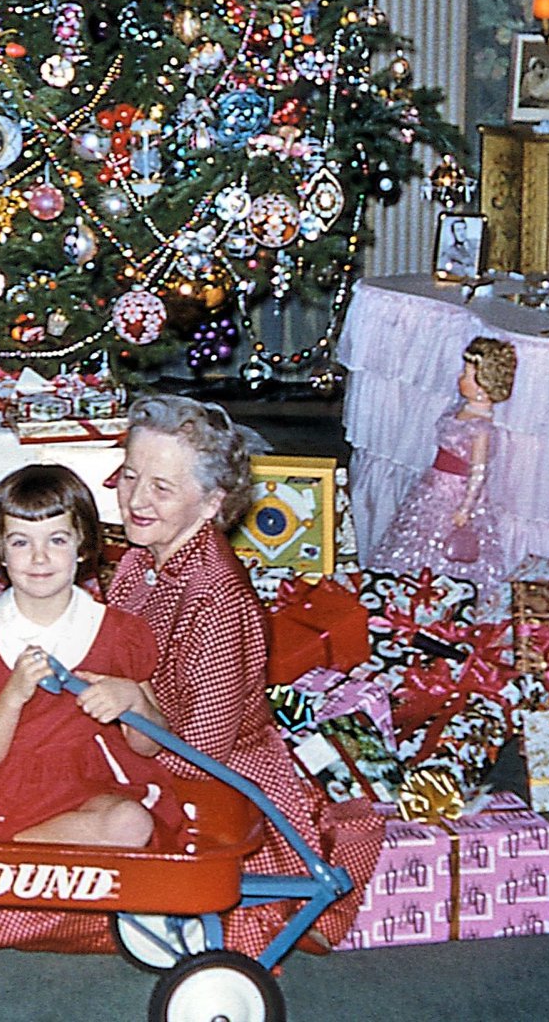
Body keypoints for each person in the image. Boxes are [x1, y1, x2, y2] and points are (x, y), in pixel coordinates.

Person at [107, 395, 382, 955]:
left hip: (214, 781)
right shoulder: (139, 560)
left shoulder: (215, 598)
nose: (135, 499)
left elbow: (201, 751)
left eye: (162, 488)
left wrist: (111, 745)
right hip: (139, 742)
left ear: (211, 503)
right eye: (130, 476)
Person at [0, 463, 181, 848]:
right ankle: (27, 855)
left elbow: (149, 745)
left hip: (87, 785)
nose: (39, 558)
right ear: (0, 552)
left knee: (129, 824)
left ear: (82, 546)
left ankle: (0, 855)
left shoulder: (121, 633)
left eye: (57, 540)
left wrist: (133, 702)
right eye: (21, 543)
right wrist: (13, 695)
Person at [371, 336, 514, 585]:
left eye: (467, 374)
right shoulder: (463, 410)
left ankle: (442, 584)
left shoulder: (480, 427)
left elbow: (478, 472)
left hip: (455, 491)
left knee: (444, 539)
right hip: (435, 482)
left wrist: (466, 508)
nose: (460, 377)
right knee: (418, 533)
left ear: (483, 385)